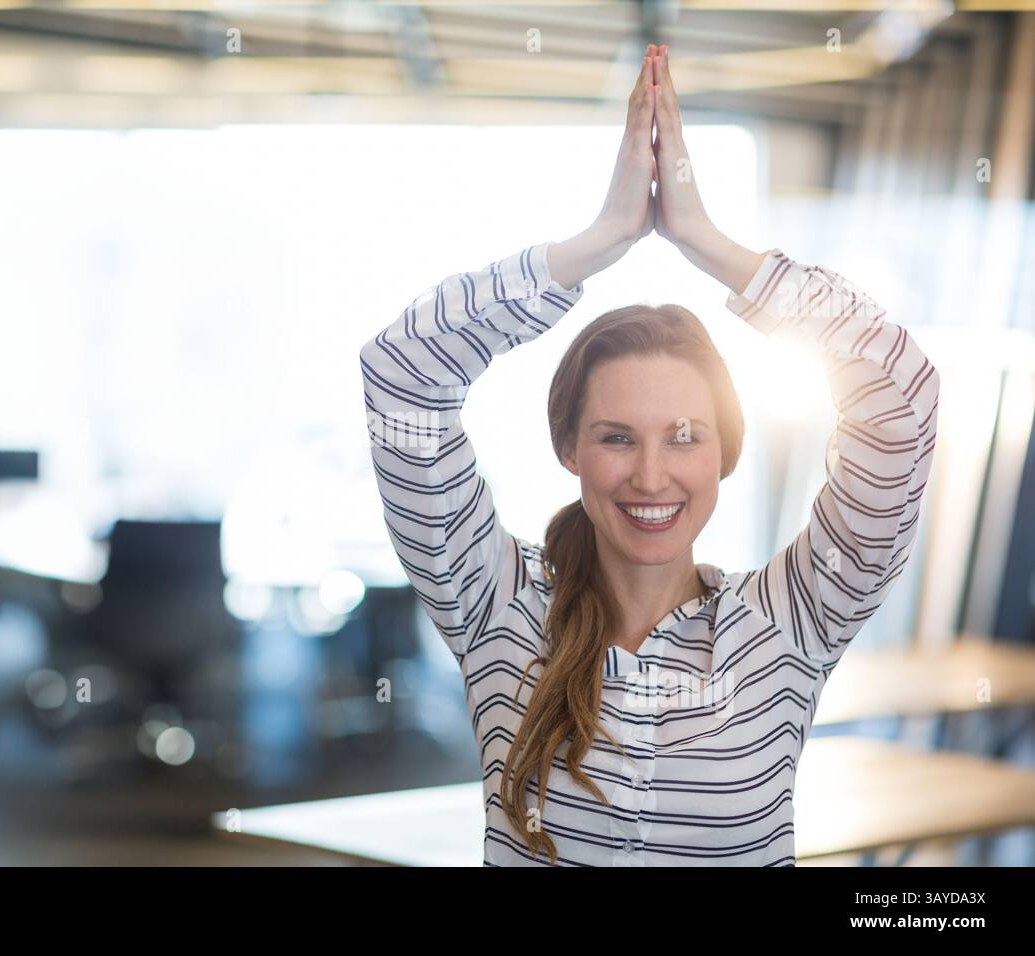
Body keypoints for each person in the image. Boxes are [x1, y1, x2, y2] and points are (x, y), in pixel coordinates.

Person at [358, 44, 939, 865]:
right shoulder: (493, 603)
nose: (652, 475)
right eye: (616, 438)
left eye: (685, 437)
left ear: (725, 453)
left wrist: (704, 239)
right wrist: (599, 242)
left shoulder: (790, 624)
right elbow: (402, 372)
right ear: (569, 447)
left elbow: (902, 397)